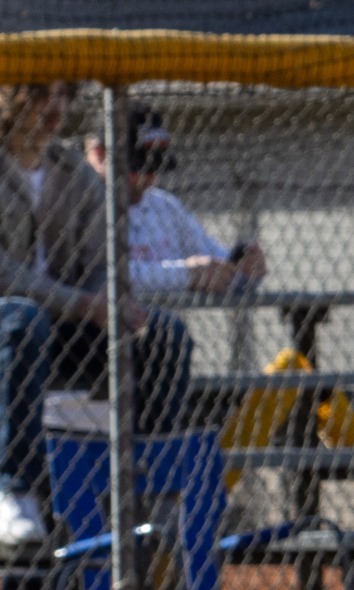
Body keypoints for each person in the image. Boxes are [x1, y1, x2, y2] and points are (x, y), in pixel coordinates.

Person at [0, 82, 190, 550]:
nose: (56, 107)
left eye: (64, 95)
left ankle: (155, 484)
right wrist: (81, 303)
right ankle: (13, 492)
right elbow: (6, 275)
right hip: (11, 325)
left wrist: (107, 299)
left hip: (66, 327)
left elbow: (101, 257)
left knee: (163, 334)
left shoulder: (71, 170)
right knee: (25, 320)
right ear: (9, 96)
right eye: (40, 95)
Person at [84, 105, 267, 297]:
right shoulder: (80, 207)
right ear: (99, 154)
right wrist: (185, 275)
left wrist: (243, 269)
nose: (150, 178)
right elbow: (98, 278)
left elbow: (216, 263)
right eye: (139, 168)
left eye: (155, 168)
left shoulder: (164, 206)